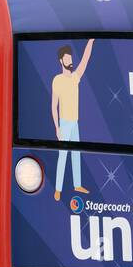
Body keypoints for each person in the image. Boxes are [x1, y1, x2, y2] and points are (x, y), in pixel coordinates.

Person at [52, 39, 94, 202]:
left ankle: (77, 184)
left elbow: (84, 60)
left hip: (74, 122)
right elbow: (53, 105)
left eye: (71, 58)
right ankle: (57, 189)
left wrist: (90, 42)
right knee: (62, 156)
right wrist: (57, 127)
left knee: (76, 153)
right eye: (67, 59)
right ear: (61, 61)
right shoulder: (57, 80)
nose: (70, 61)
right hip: (64, 123)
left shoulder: (75, 77)